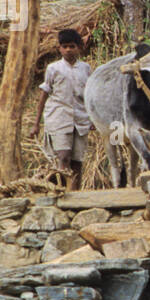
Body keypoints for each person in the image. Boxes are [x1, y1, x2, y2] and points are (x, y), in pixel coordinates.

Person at [31, 29, 91, 190]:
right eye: (65, 47)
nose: (68, 50)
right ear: (59, 49)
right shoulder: (54, 68)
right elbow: (44, 94)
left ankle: (75, 194)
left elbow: (90, 95)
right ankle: (62, 191)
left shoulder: (85, 69)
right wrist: (36, 124)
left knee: (77, 160)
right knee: (63, 157)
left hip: (80, 118)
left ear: (79, 47)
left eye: (72, 46)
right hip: (59, 117)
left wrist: (92, 118)